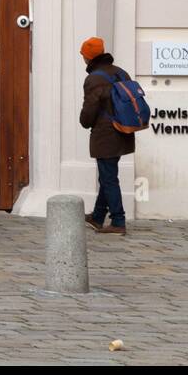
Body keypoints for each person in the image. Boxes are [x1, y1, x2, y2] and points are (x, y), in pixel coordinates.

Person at [79, 37, 134, 236]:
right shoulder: (121, 72)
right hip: (123, 130)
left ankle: (118, 220)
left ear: (89, 57)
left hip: (106, 133)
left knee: (109, 177)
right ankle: (98, 216)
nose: (83, 59)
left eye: (83, 55)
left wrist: (83, 121)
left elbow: (90, 109)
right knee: (107, 174)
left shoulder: (94, 78)